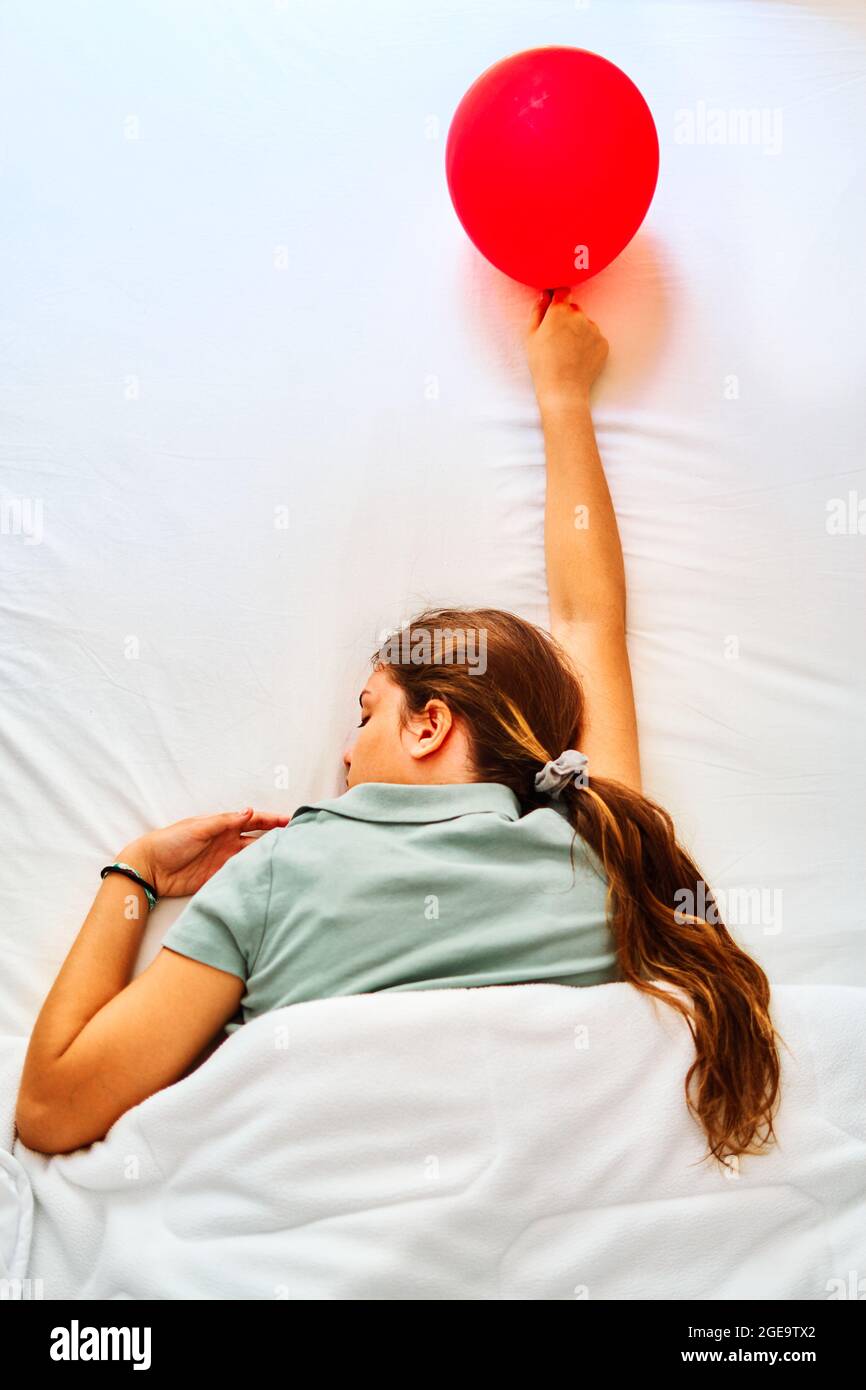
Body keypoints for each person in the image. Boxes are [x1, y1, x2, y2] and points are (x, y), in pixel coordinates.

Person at [15, 289, 781, 1166]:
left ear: (430, 725)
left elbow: (50, 1108)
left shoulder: (277, 877)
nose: (342, 751)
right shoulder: (603, 853)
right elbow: (589, 624)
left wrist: (138, 871)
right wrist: (564, 398)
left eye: (366, 711)